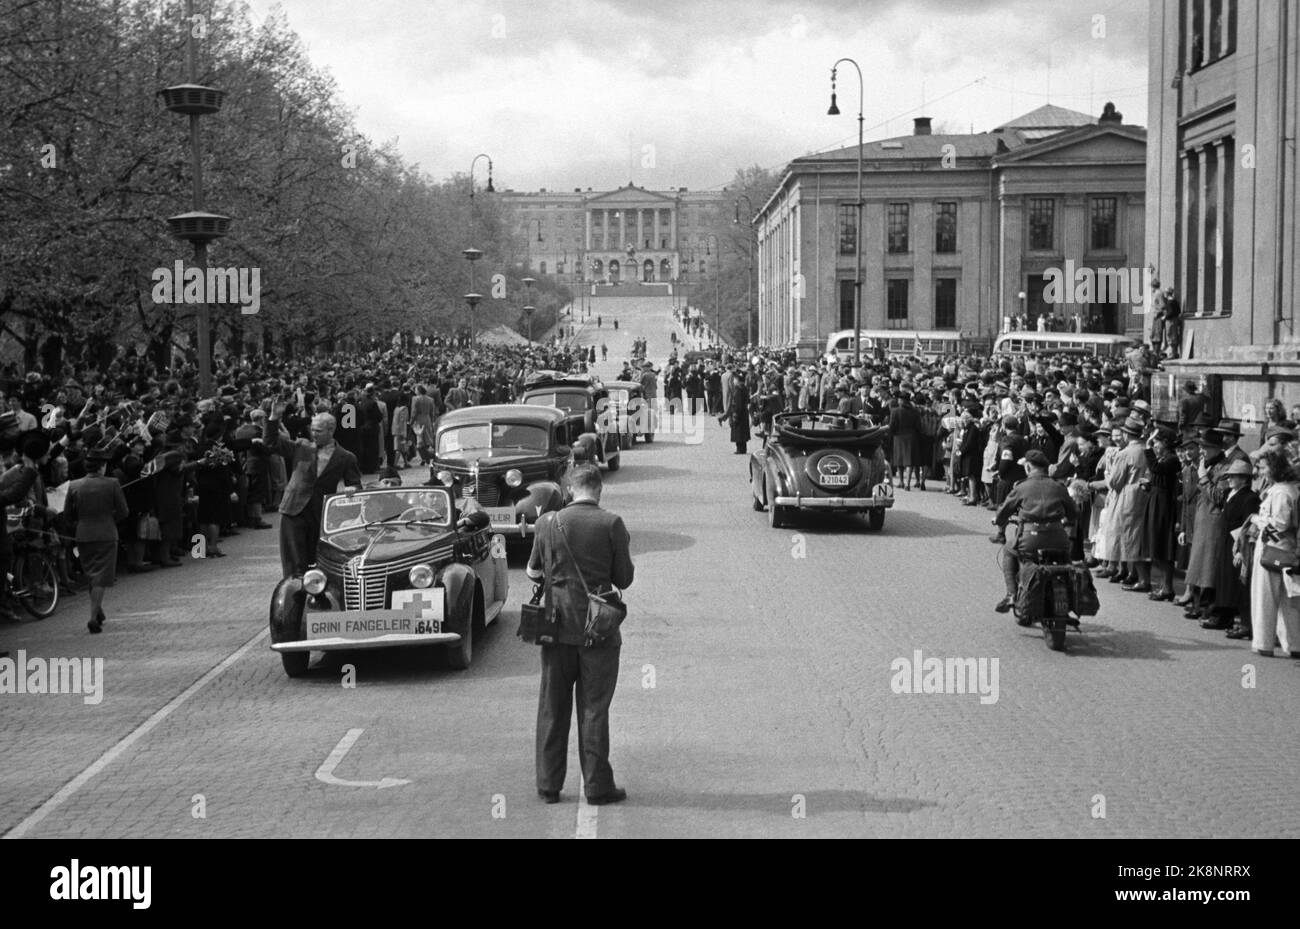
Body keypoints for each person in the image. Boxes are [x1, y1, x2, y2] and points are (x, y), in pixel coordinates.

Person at [525, 464, 634, 805]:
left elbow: (532, 572)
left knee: (552, 707)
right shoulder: (611, 523)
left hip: (556, 629)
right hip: (598, 631)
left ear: (569, 490)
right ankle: (598, 786)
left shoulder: (547, 523)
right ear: (599, 489)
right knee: (594, 709)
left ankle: (548, 785)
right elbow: (624, 578)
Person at [263, 407, 362, 579]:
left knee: (316, 559)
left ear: (331, 430)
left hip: (320, 514)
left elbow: (355, 484)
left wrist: (352, 489)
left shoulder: (346, 457)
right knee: (293, 561)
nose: (313, 434)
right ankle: (294, 589)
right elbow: (270, 444)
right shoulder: (302, 446)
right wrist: (273, 418)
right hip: (293, 509)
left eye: (318, 431)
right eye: (312, 429)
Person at [991, 449, 1078, 613]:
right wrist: (1067, 520)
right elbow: (1073, 513)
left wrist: (999, 520)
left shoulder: (1022, 487)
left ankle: (1011, 594)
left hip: (1031, 540)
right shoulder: (1059, 487)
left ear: (1028, 467)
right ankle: (1072, 595)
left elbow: (1004, 510)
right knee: (1066, 562)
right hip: (1059, 539)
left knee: (1008, 550)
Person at [64, 446, 129, 633]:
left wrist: (79, 525)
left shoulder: (74, 485)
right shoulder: (112, 483)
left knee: (92, 573)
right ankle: (93, 617)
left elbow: (68, 515)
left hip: (83, 534)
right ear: (102, 466)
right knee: (101, 576)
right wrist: (110, 520)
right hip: (106, 533)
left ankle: (97, 610)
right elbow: (124, 511)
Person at [1247, 451, 1300, 657]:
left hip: (1272, 548)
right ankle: (1294, 644)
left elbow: (1279, 524)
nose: (1260, 471)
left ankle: (1263, 643)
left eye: (1263, 467)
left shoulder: (1280, 492)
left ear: (1274, 468)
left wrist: (1256, 519)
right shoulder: (1290, 489)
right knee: (1289, 601)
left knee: (1265, 597)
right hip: (1288, 549)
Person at [719, 377, 751, 454]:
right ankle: (743, 448)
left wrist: (735, 413)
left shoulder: (738, 389)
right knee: (742, 432)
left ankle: (740, 449)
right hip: (744, 413)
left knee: (738, 432)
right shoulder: (744, 388)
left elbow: (738, 403)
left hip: (738, 413)